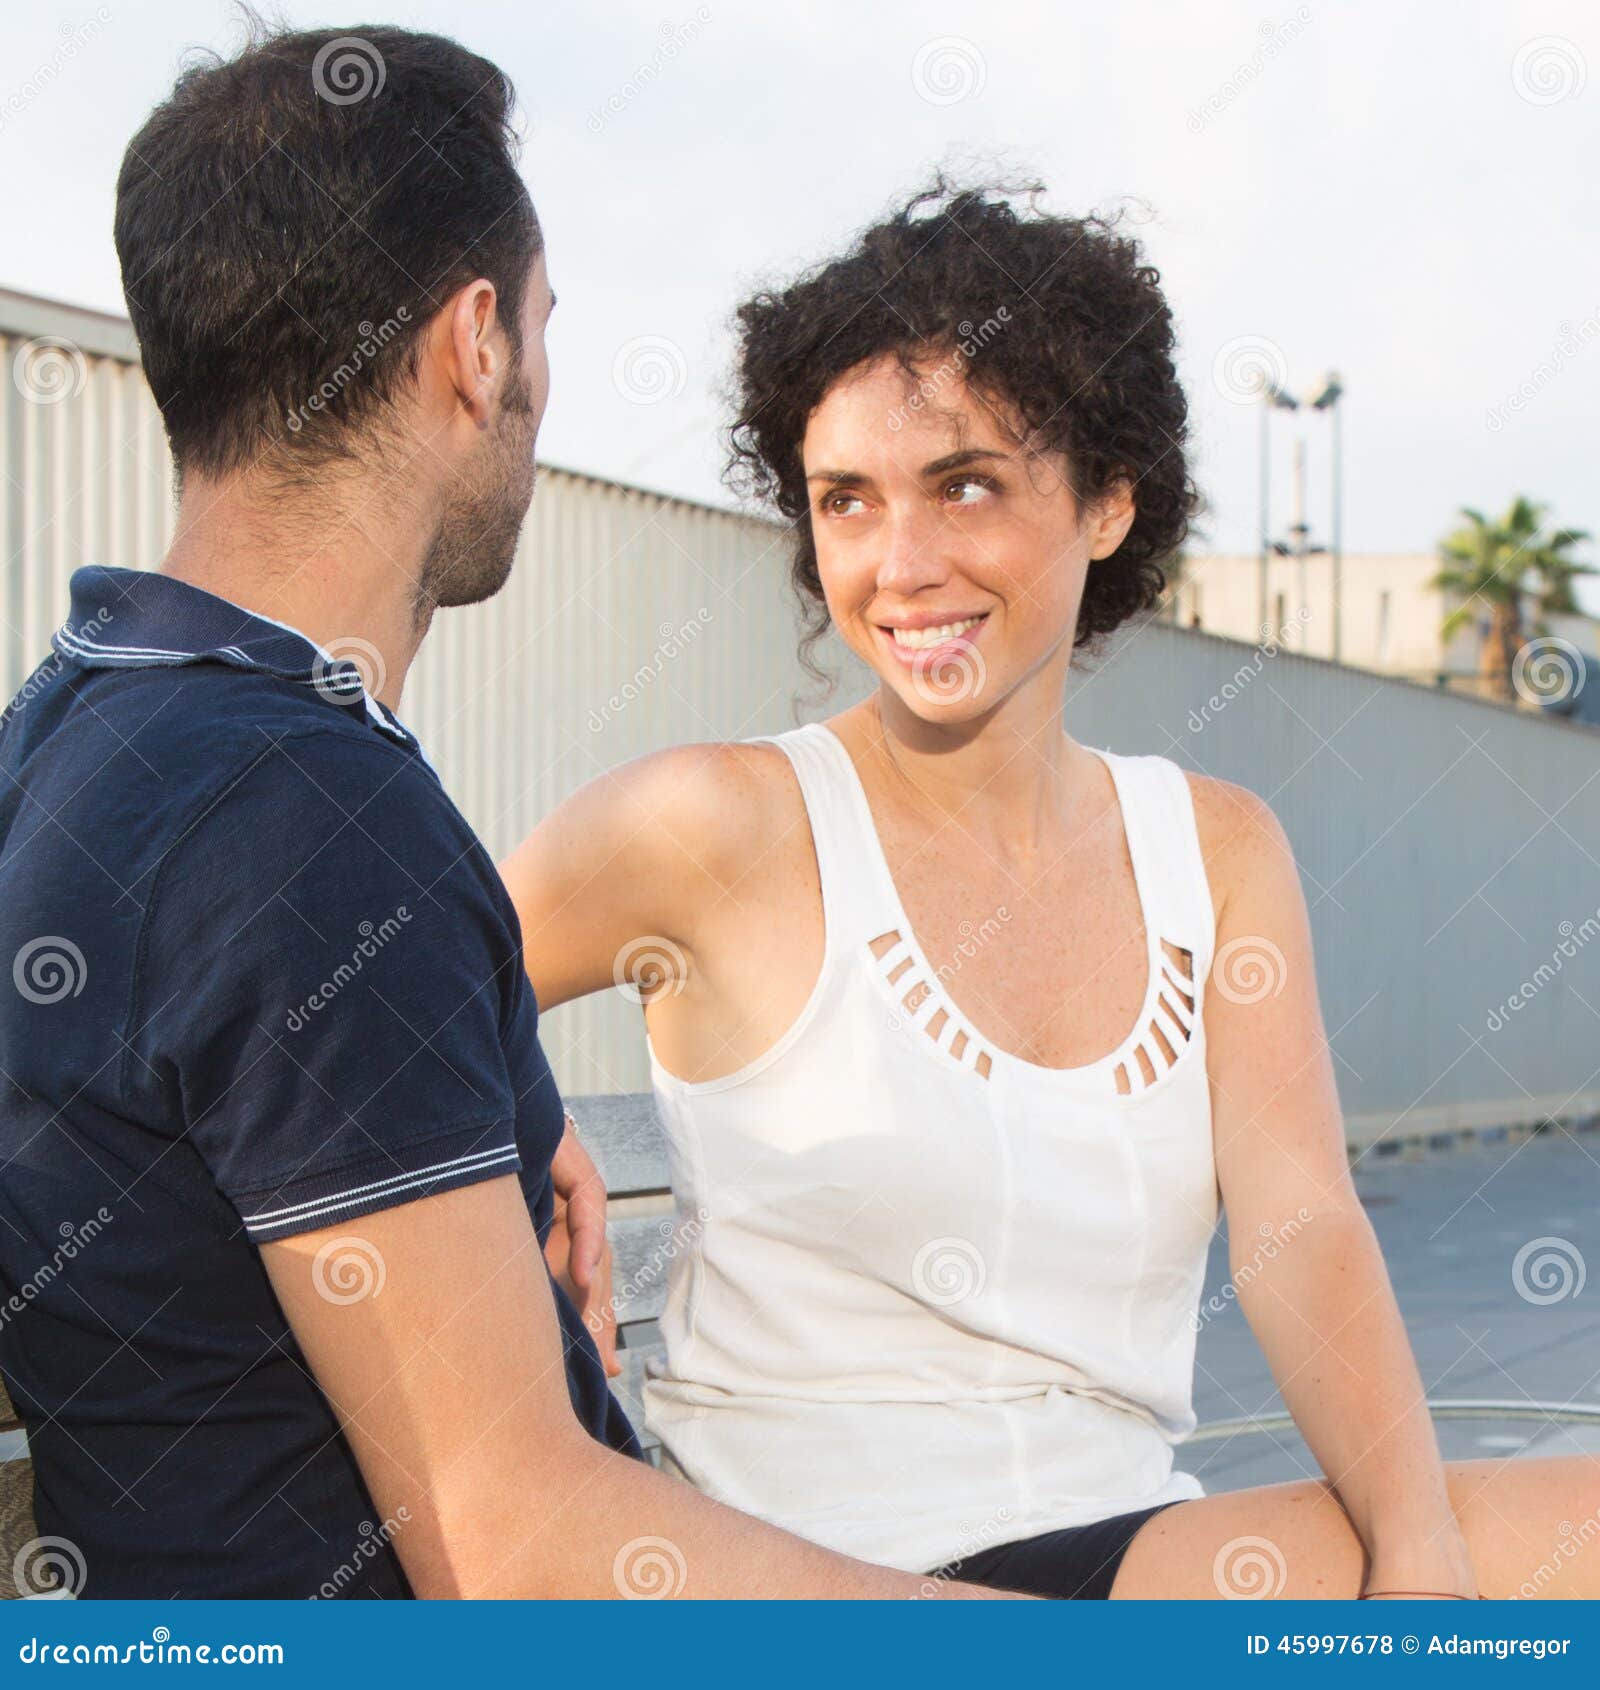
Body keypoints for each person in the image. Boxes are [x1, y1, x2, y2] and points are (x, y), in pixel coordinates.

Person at [0, 25, 1011, 1601]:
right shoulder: (300, 816)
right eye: (540, 328)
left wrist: (487, 1103)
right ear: (473, 343)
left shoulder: (75, 722)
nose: (536, 382)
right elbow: (524, 1553)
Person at [499, 181, 1600, 1599]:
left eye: (965, 483)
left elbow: (1302, 1225)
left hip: (1122, 1551)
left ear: (1108, 498)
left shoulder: (1218, 851)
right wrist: (512, 1110)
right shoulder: (713, 822)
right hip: (814, 1582)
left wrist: (1420, 1557)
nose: (903, 566)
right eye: (849, 501)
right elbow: (368, 990)